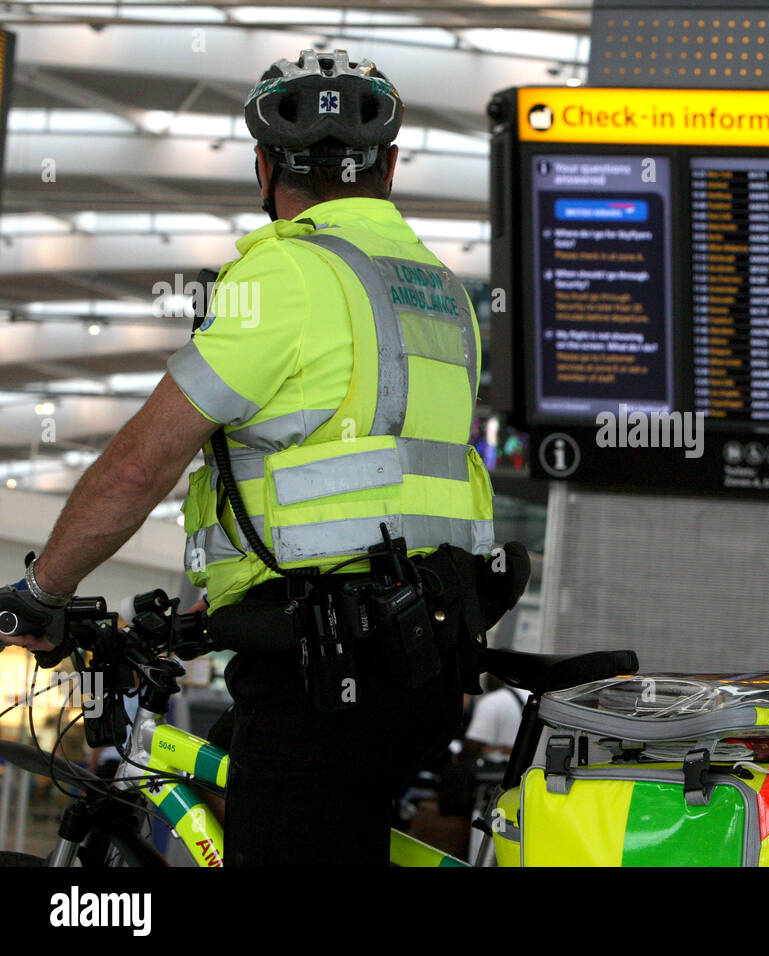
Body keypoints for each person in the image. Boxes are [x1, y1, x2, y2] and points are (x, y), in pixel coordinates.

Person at [0, 50, 525, 866]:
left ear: (262, 166)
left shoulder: (285, 273)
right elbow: (361, 488)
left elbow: (143, 463)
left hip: (322, 676)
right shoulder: (441, 290)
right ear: (388, 166)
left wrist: (43, 591)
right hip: (423, 658)